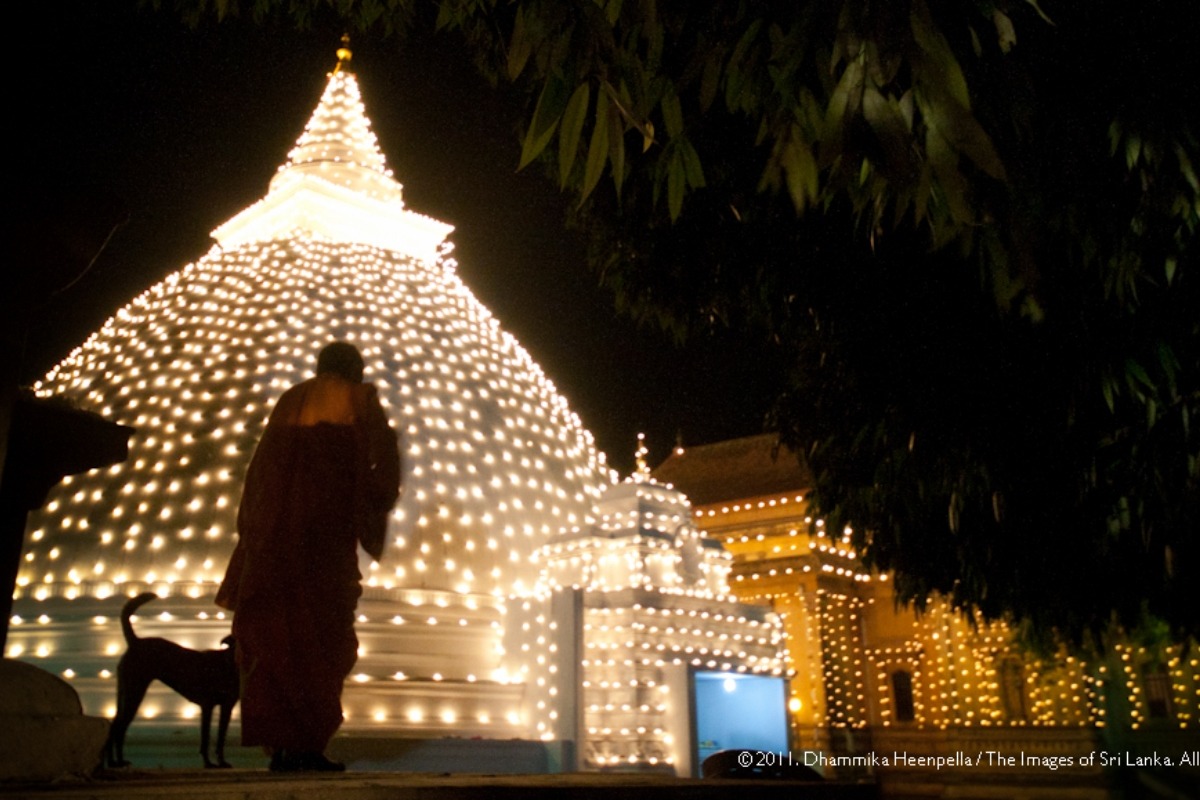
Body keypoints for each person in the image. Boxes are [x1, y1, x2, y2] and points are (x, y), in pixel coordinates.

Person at [216, 341, 401, 772]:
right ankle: (307, 746)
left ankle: (282, 747)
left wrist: (256, 535)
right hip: (324, 550)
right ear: (354, 369)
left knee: (279, 647)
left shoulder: (290, 401)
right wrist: (372, 501)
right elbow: (381, 461)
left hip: (277, 548)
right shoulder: (359, 400)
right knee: (321, 648)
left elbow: (260, 474)